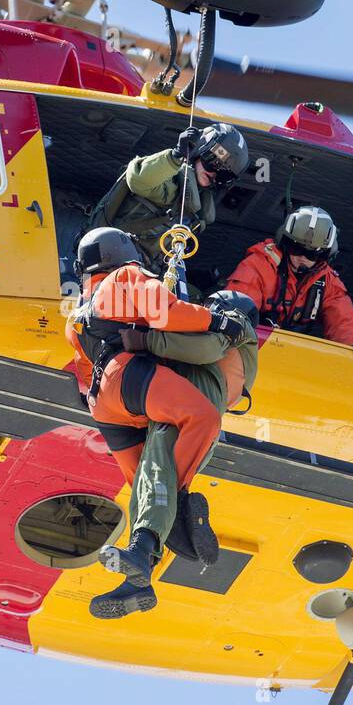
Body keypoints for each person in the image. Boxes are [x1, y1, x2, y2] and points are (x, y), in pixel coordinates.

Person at [65, 228, 246, 618]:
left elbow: (82, 371)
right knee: (201, 418)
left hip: (102, 404)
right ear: (125, 252)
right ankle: (178, 502)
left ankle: (138, 571)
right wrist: (219, 323)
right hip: (128, 377)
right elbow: (169, 313)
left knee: (143, 484)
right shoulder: (128, 276)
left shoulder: (77, 314)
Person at [85, 123, 249, 274]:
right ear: (199, 150)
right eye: (213, 163)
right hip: (107, 262)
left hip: (140, 273)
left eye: (223, 174)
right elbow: (138, 180)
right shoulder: (171, 181)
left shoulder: (198, 212)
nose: (214, 173)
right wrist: (176, 155)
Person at [225, 205, 353, 355]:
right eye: (296, 249)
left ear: (324, 256)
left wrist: (352, 346)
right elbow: (237, 311)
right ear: (284, 243)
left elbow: (342, 320)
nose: (302, 257)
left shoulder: (328, 281)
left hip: (293, 356)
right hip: (249, 349)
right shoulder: (259, 265)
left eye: (311, 254)